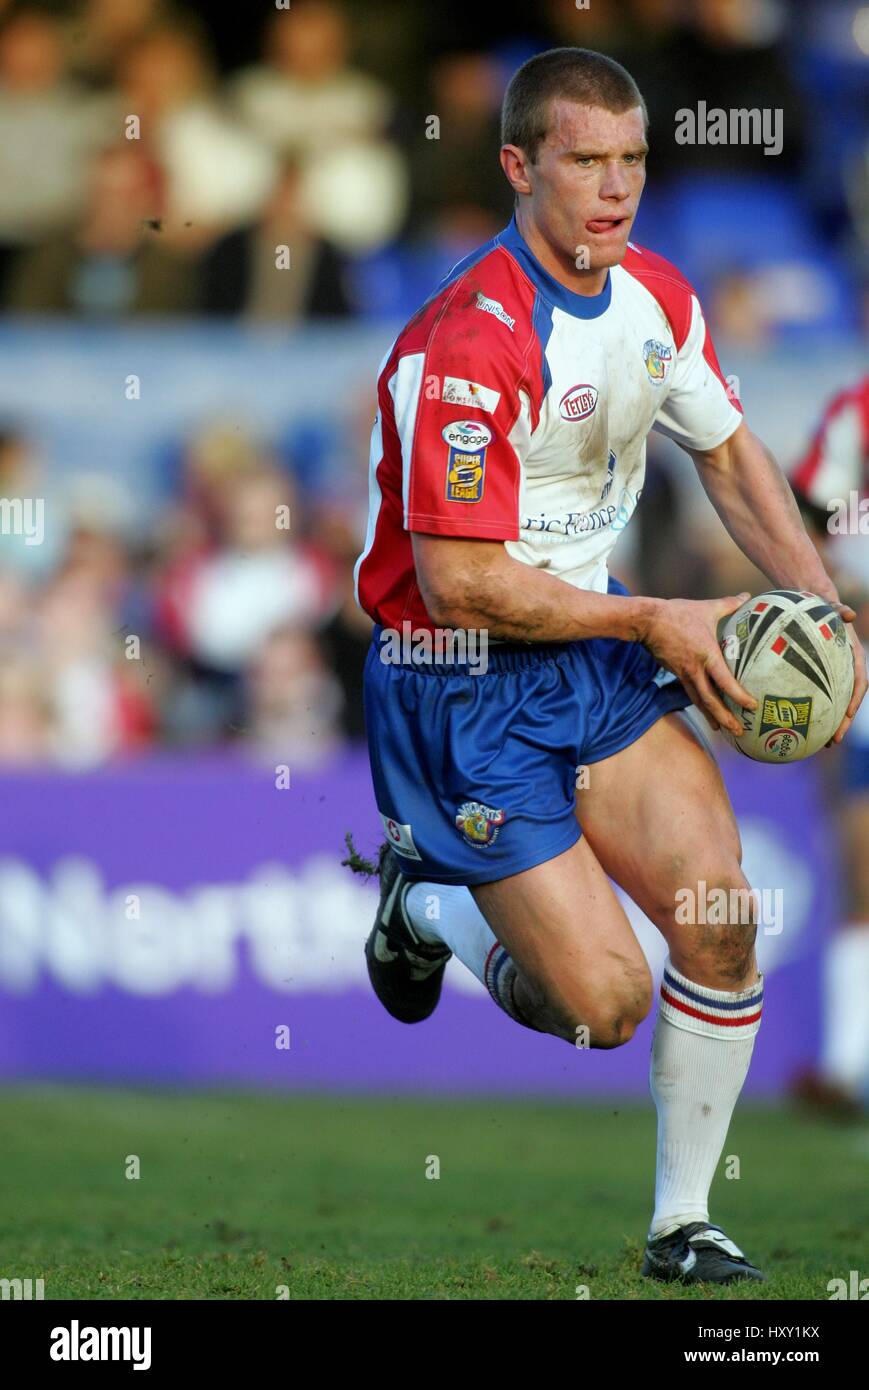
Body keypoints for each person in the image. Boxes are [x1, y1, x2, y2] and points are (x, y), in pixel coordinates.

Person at [349, 47, 868, 1285]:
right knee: (602, 1006)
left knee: (720, 922)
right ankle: (423, 902)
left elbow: (729, 454)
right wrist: (656, 622)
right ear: (518, 165)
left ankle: (681, 1224)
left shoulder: (657, 298)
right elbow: (459, 583)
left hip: (595, 648)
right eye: (584, 159)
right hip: (459, 676)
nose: (615, 185)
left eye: (631, 158)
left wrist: (819, 609)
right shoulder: (467, 343)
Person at [789, 376, 869, 1117]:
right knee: (861, 874)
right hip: (866, 686)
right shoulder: (856, 412)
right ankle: (845, 1068)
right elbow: (805, 523)